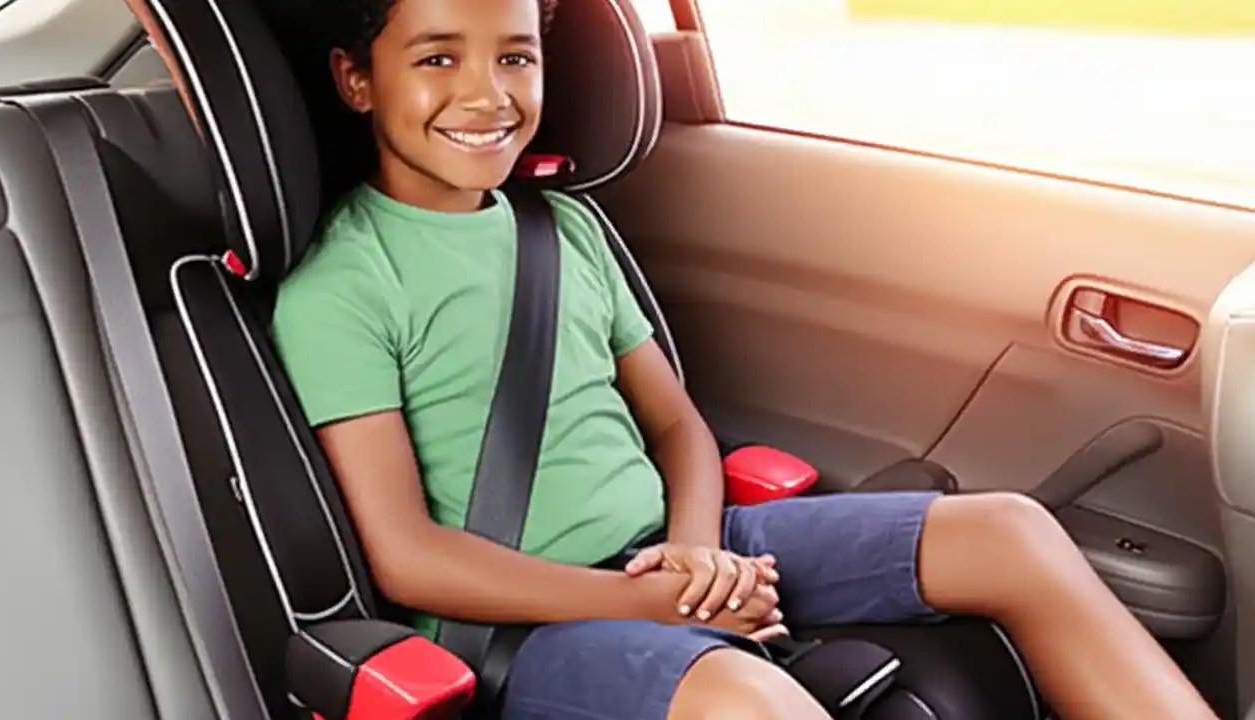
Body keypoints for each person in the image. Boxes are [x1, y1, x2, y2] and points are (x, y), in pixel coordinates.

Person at [268, 0, 1219, 718]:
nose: (488, 94)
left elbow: (677, 422)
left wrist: (697, 553)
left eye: (516, 55)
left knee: (1009, 528)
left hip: (678, 552)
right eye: (438, 58)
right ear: (358, 81)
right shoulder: (344, 286)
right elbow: (409, 557)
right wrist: (647, 605)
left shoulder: (561, 227)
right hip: (529, 627)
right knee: (753, 704)